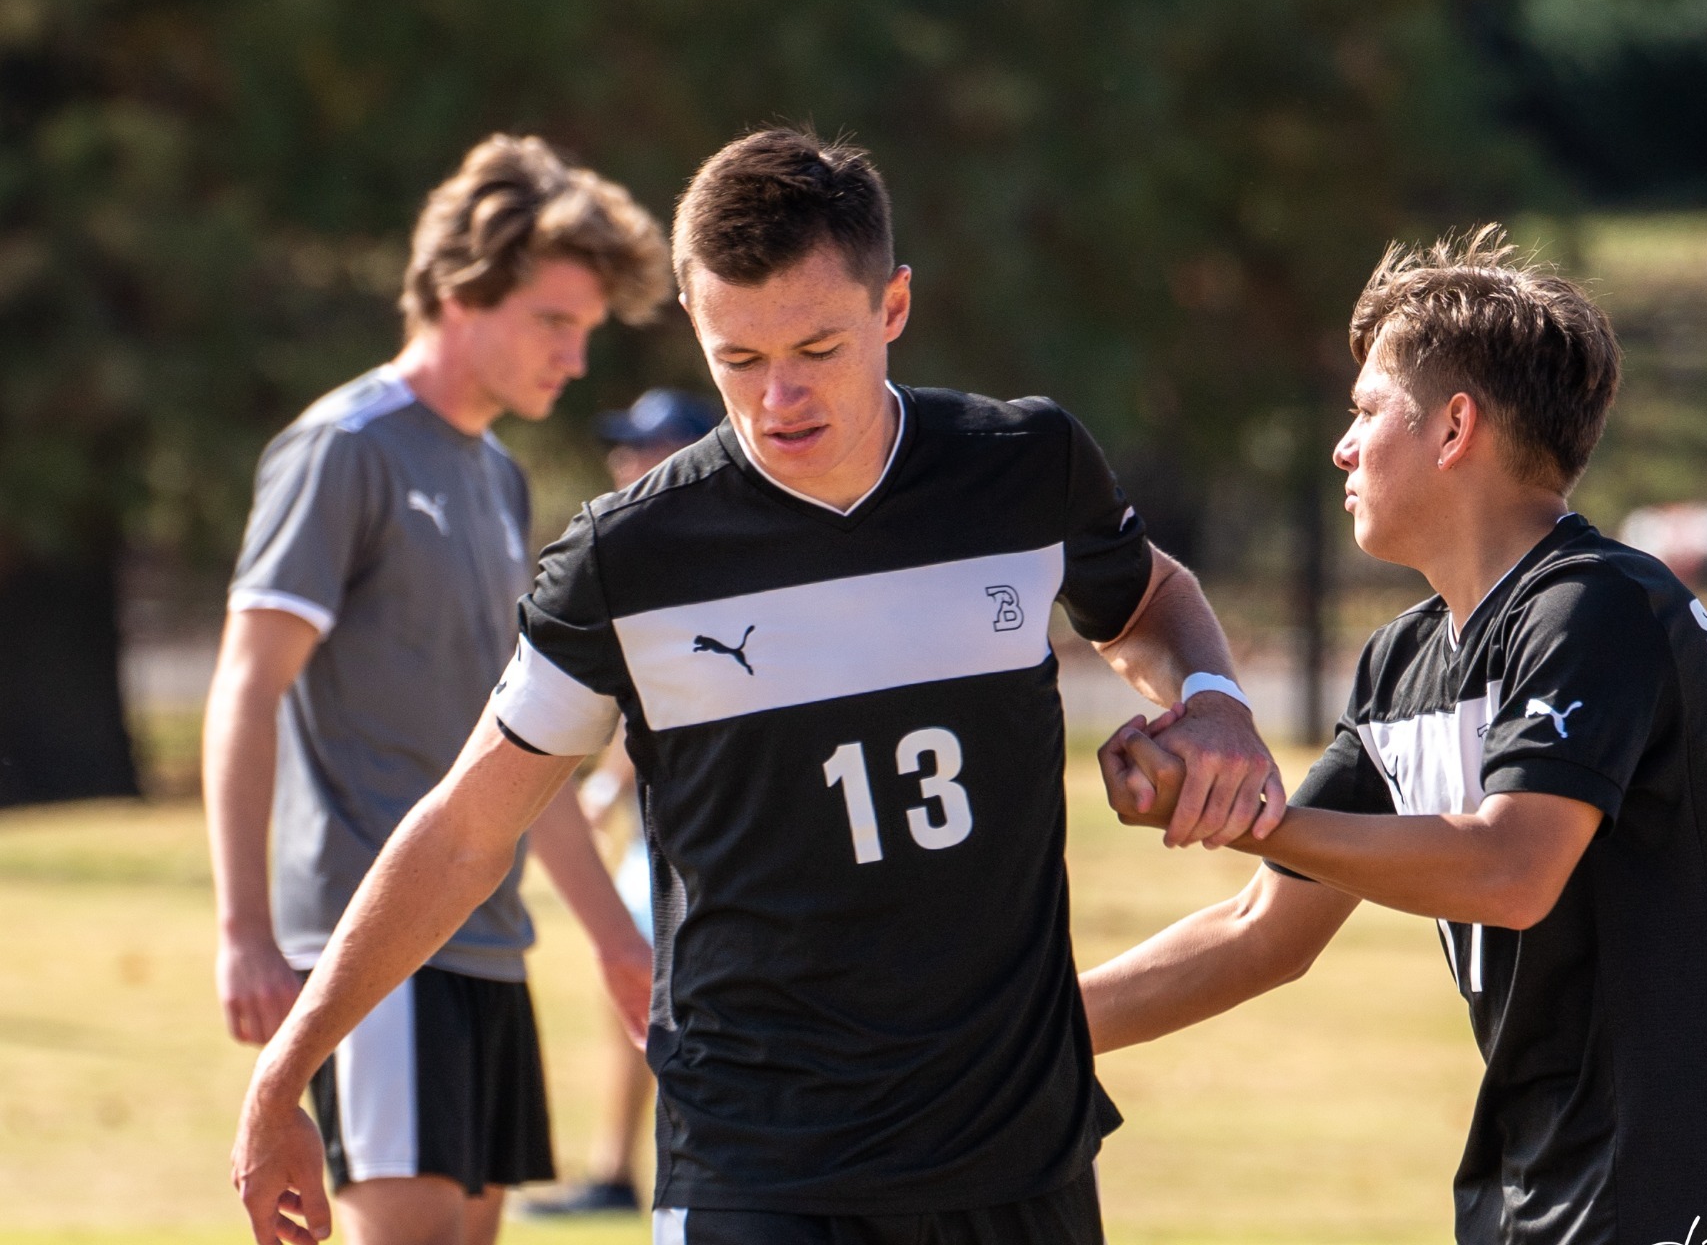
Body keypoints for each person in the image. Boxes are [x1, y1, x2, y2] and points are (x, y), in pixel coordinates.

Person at [230, 126, 1286, 1245]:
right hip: (758, 1165)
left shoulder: (1021, 467)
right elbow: (464, 829)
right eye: (738, 359)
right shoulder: (627, 558)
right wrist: (284, 1068)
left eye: (818, 347)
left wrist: (1214, 697)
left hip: (1018, 1153)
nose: (780, 396)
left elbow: (1144, 596)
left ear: (894, 307)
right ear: (694, 321)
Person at [1087, 227, 1707, 1245]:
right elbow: (1261, 932)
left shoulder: (1599, 607)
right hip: (1532, 1198)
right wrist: (1004, 1039)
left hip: (1683, 1203)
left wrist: (1247, 815)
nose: (1342, 447)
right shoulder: (1405, 664)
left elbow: (1512, 868)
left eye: (1364, 411)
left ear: (1453, 427)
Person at [205, 134, 667, 1245]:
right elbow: (245, 686)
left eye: (587, 330)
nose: (572, 356)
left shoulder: (497, 476)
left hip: (487, 942)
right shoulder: (342, 449)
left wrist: (617, 942)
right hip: (372, 945)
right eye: (555, 323)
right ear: (465, 292)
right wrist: (245, 930)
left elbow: (520, 748)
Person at [519, 388, 722, 1219]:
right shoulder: (637, 556)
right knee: (642, 992)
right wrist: (604, 789)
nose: (621, 463)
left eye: (640, 448)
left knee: (669, 994)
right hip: (653, 817)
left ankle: (665, 1157)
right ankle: (618, 1165)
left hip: (696, 823)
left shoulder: (704, 561)